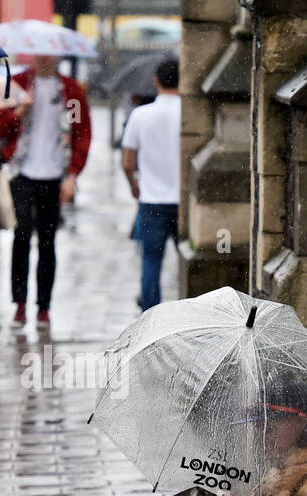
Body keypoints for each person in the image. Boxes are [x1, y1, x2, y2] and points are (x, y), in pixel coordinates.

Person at [0, 55, 92, 327]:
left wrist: (72, 175)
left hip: (54, 175)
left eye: (50, 53)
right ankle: (20, 304)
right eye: (40, 52)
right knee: (21, 236)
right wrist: (20, 111)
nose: (45, 58)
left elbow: (81, 132)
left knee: (47, 241)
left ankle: (43, 306)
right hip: (21, 172)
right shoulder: (19, 84)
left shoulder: (71, 91)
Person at [120, 57, 181, 311]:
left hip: (151, 200)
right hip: (182, 203)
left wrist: (134, 183)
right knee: (189, 261)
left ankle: (152, 315)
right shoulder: (189, 114)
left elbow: (127, 162)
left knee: (151, 261)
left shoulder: (140, 115)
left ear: (156, 81)